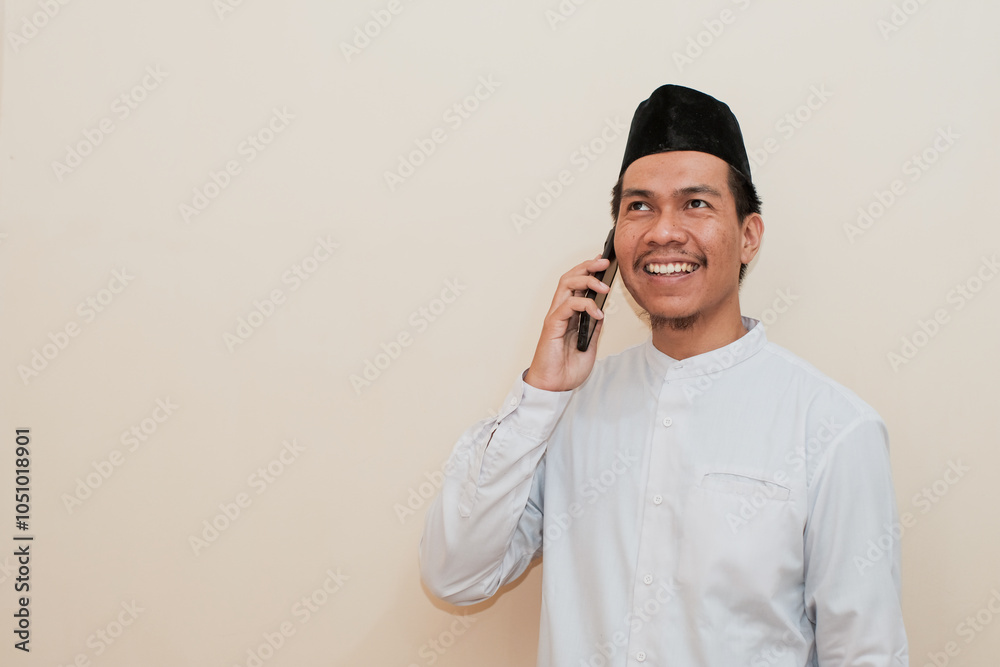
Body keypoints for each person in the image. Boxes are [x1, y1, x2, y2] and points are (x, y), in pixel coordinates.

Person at [419, 84, 908, 666]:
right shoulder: (567, 409)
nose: (662, 232)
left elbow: (865, 653)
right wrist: (541, 392)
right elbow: (454, 574)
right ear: (615, 238)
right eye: (639, 206)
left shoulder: (832, 427)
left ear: (749, 236)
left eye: (696, 204)